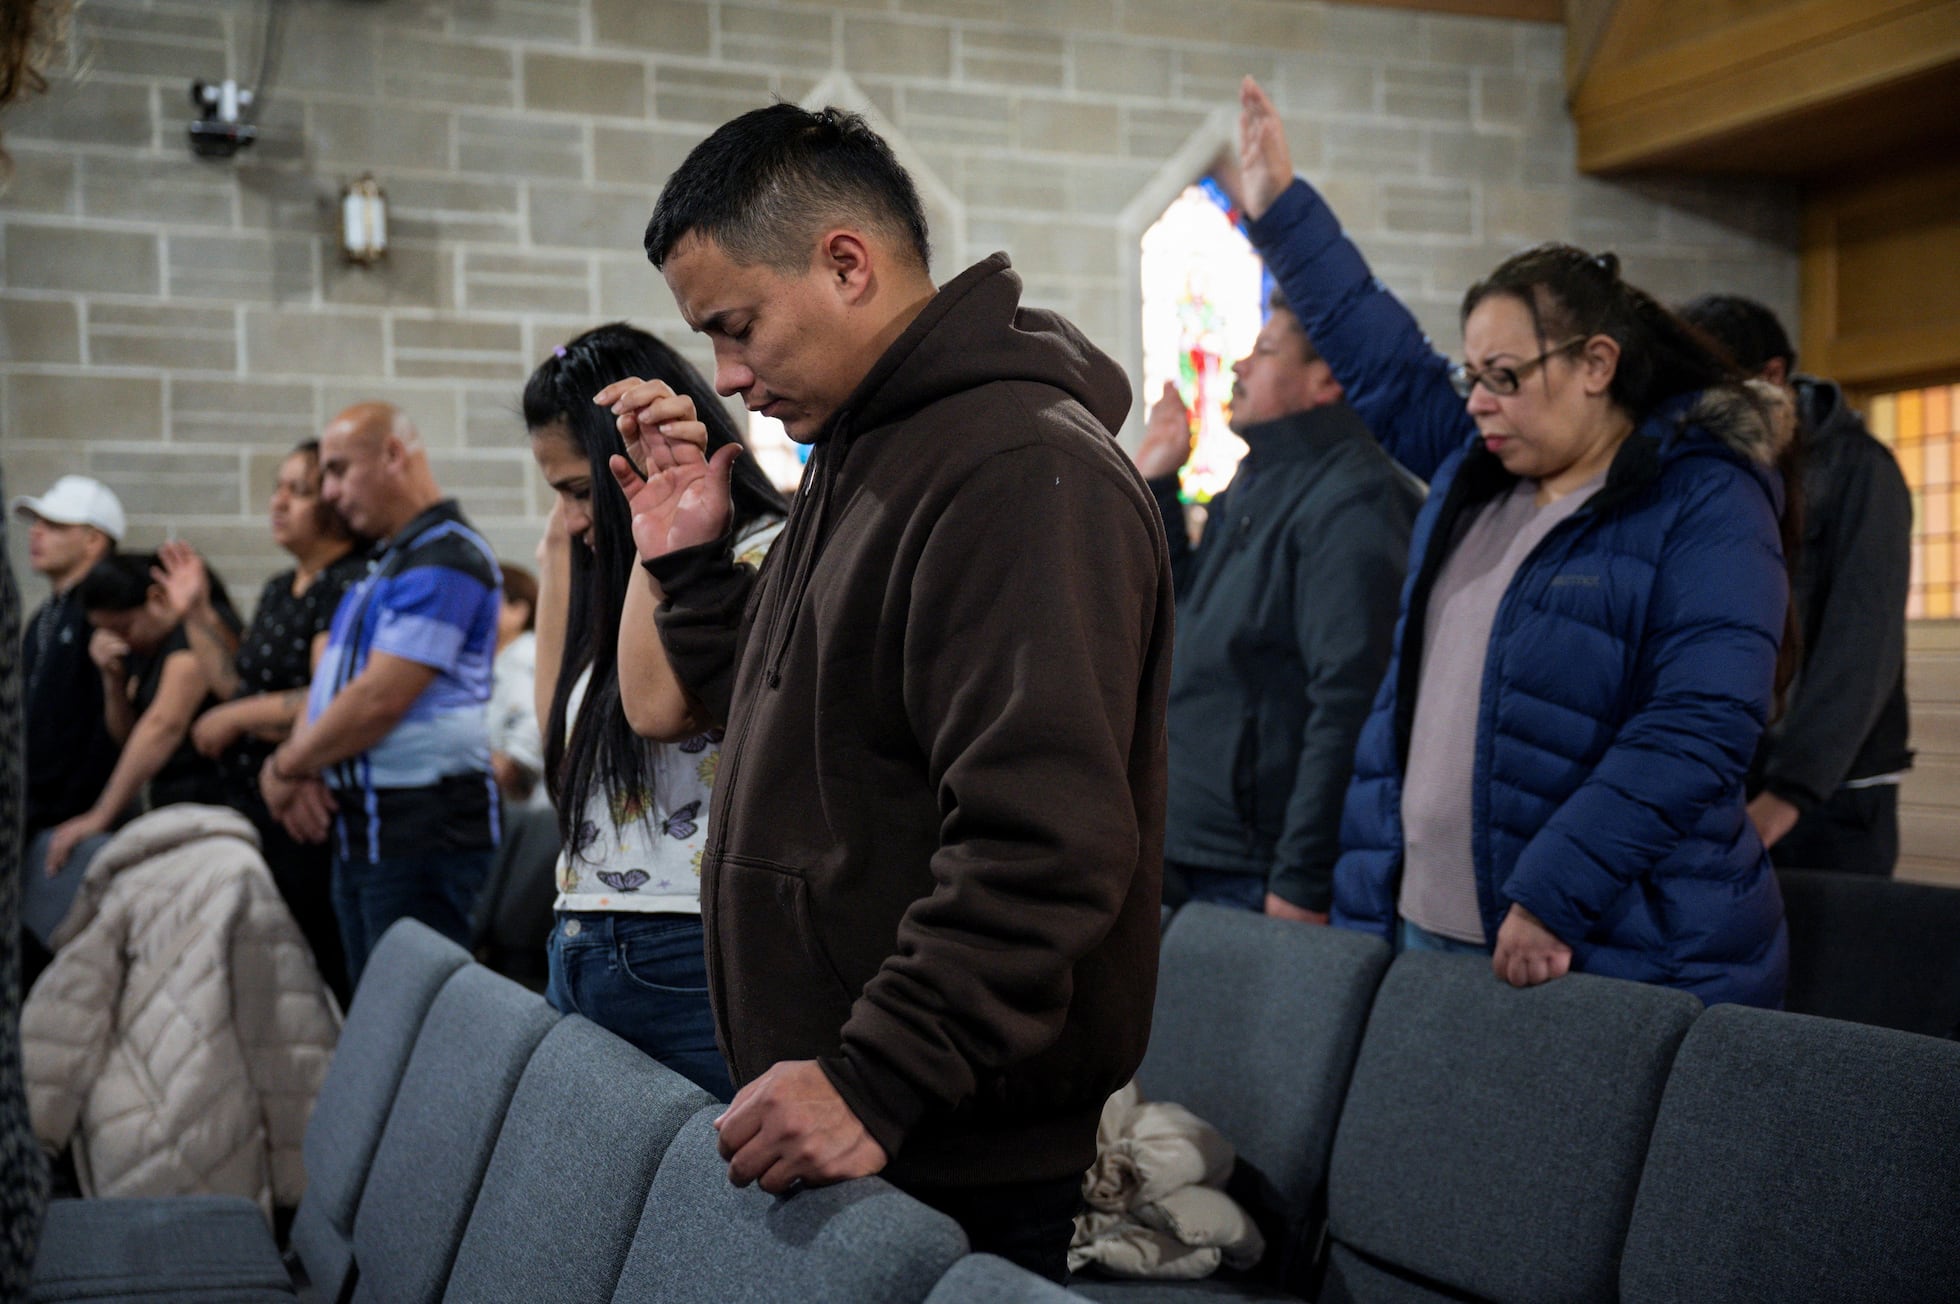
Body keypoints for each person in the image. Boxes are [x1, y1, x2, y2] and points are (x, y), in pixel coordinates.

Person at [603, 103, 1171, 1280]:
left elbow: (1046, 841)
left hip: (940, 1127)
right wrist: (691, 569)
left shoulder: (1016, 469)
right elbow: (784, 712)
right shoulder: (868, 452)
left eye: (736, 326)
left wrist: (881, 1070)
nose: (728, 377)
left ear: (846, 262)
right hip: (864, 1098)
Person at [1235, 77, 1789, 1008]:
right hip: (1427, 924)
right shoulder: (1479, 470)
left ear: (1595, 365)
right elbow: (1382, 356)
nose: (1478, 399)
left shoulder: (1705, 499)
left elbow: (1700, 726)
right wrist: (1283, 215)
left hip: (1598, 941)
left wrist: (1554, 893)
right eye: (1473, 374)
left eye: (1505, 374)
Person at [524, 323, 788, 1100]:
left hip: (681, 941)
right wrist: (557, 561)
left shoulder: (755, 556)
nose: (572, 519)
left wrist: (659, 526)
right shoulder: (603, 573)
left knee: (708, 1212)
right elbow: (560, 751)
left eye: (579, 491)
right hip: (584, 932)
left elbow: (657, 709)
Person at [1134, 289, 1419, 923]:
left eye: (1264, 351)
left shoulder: (1355, 500)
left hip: (1253, 866)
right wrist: (1158, 483)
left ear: (1328, 381)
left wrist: (1302, 876)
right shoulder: (1259, 476)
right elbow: (1188, 620)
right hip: (1188, 837)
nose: (1239, 366)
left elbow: (1348, 699)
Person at [259, 403, 502, 988]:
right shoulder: (392, 560)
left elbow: (377, 701)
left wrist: (285, 766)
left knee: (416, 1025)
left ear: (393, 454)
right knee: (376, 1017)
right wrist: (305, 763)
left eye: (339, 471)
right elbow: (335, 686)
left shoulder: (448, 555)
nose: (332, 493)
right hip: (371, 826)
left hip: (422, 829)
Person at [1679, 294, 1913, 877]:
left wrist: (1786, 797)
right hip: (1736, 778)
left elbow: (1863, 644)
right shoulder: (1719, 470)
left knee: (1831, 963)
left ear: (1772, 377)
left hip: (1832, 791)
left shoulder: (1860, 470)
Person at [161, 441, 368, 1004]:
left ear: (331, 501)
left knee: (312, 974)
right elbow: (238, 684)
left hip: (305, 806)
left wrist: (232, 717)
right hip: (254, 796)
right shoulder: (282, 586)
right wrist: (197, 613)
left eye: (297, 491)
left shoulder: (346, 582)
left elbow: (326, 698)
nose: (278, 502)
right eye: (278, 488)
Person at [41, 553, 241, 874]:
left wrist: (101, 815)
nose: (121, 640)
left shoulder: (195, 635)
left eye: (124, 627)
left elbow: (163, 726)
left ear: (157, 599)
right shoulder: (146, 647)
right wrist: (113, 681)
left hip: (215, 801)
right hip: (171, 803)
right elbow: (127, 736)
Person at [13, 476, 124, 845]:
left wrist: (90, 811)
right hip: (33, 814)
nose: (36, 534)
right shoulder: (42, 618)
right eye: (37, 524)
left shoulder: (110, 613)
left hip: (78, 821)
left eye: (55, 525)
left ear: (94, 540)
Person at [487, 561, 544, 806]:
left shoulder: (524, 657)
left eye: (488, 601)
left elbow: (530, 732)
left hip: (523, 807)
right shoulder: (499, 659)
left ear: (519, 611)